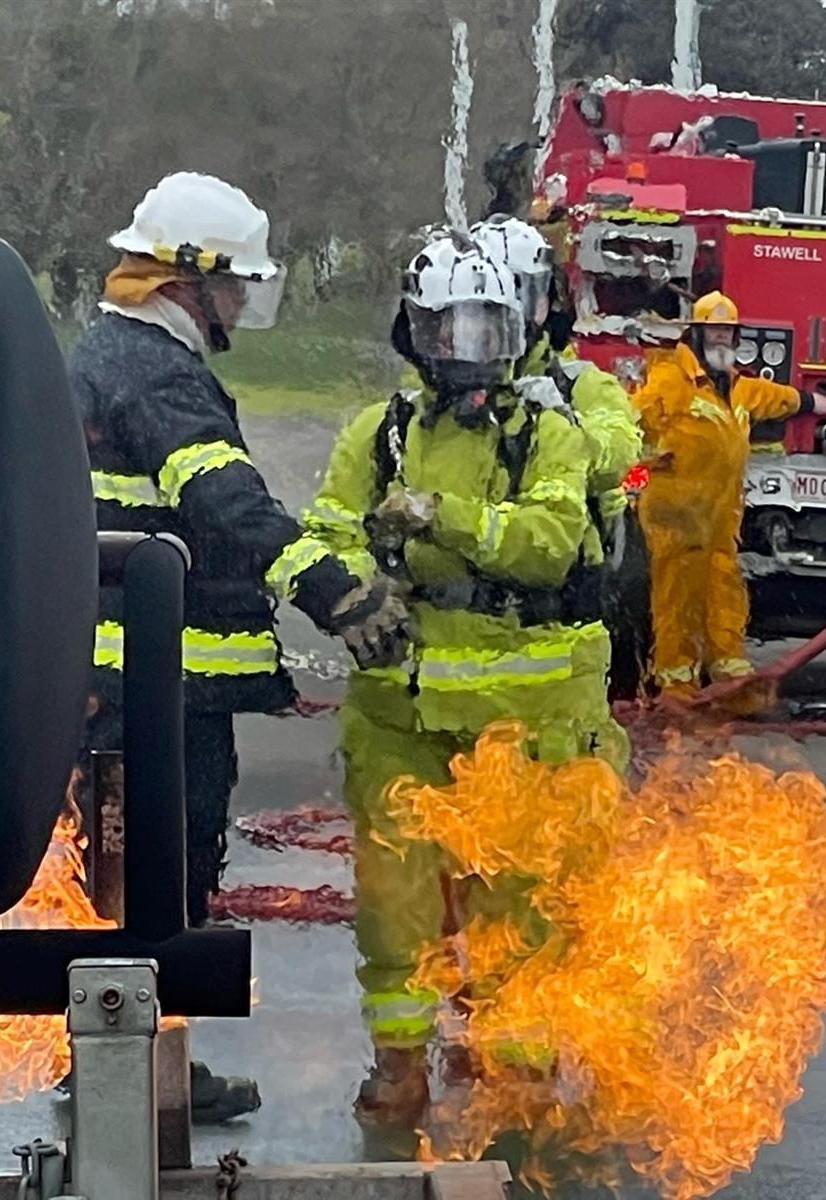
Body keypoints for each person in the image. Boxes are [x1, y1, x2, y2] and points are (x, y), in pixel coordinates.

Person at [67, 171, 408, 1118]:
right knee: (161, 888)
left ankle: (135, 1073)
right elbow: (230, 507)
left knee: (136, 880)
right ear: (188, 280)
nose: (240, 304)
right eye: (234, 286)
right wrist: (335, 591)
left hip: (129, 683)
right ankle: (133, 1084)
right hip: (159, 690)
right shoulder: (157, 374)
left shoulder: (112, 354)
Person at [301, 232, 625, 1128]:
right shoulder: (378, 434)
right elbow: (327, 530)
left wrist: (443, 516)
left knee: (517, 903)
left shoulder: (551, 434)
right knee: (394, 903)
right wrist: (350, 588)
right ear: (417, 334)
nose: (466, 350)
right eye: (448, 330)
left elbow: (549, 544)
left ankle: (511, 1072)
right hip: (396, 714)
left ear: (516, 329)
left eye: (485, 328)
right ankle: (398, 1066)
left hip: (522, 721)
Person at [631, 289, 826, 700]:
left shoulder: (737, 386)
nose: (722, 338)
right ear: (697, 334)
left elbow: (771, 398)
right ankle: (676, 681)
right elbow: (635, 423)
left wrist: (810, 400)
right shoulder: (673, 378)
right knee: (676, 598)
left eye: (727, 331)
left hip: (721, 518)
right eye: (714, 330)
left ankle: (728, 674)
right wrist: (632, 479)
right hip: (675, 516)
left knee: (723, 587)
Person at [471, 214, 642, 625]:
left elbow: (619, 453)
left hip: (564, 602)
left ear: (549, 300)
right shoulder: (436, 390)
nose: (511, 312)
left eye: (525, 293)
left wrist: (563, 424)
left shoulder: (580, 385)